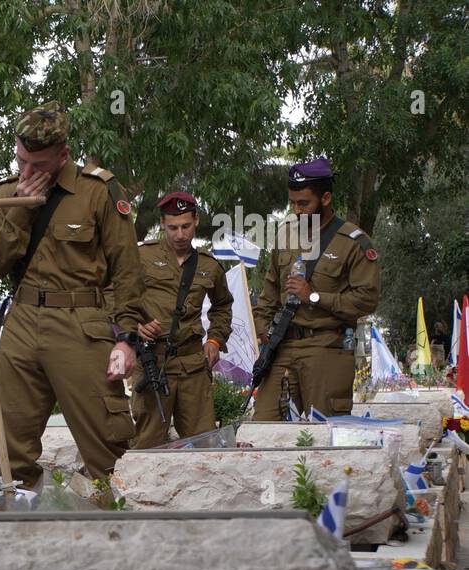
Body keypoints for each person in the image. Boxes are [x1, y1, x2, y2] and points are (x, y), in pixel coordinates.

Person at [0, 102, 146, 484]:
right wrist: (21, 207)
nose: (27, 172)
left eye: (38, 165)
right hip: (21, 322)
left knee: (108, 443)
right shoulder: (7, 193)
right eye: (21, 160)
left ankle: (121, 519)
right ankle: (16, 524)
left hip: (80, 323)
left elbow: (127, 270)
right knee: (6, 445)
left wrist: (127, 338)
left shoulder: (97, 190)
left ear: (63, 154)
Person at [252, 158, 380, 419]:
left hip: (326, 347)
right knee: (264, 424)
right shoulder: (286, 234)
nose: (297, 210)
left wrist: (313, 296)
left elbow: (367, 299)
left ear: (325, 198)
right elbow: (269, 292)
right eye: (293, 203)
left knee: (324, 431)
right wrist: (263, 329)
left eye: (304, 203)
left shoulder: (353, 242)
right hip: (282, 346)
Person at [131, 191, 234, 447]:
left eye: (186, 226)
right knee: (148, 444)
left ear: (196, 220)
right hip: (153, 362)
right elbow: (115, 294)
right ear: (162, 224)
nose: (180, 234)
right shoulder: (141, 256)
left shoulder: (209, 265)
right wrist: (135, 324)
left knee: (204, 443)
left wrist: (216, 340)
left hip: (192, 365)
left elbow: (223, 305)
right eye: (173, 227)